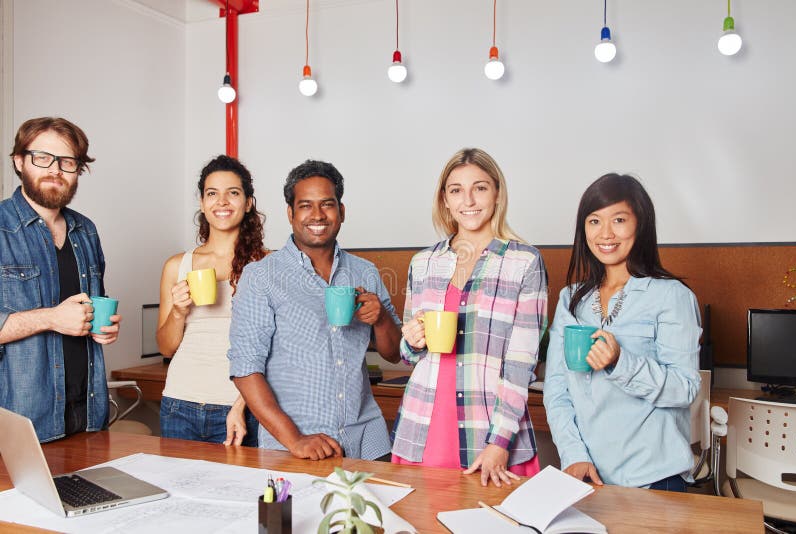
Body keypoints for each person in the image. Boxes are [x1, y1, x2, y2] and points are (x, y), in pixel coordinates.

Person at [390, 148, 548, 487]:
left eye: (480, 187)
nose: (468, 200)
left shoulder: (524, 262)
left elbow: (521, 363)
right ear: (444, 199)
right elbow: (407, 354)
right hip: (425, 424)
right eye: (456, 190)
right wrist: (412, 340)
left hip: (490, 428)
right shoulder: (424, 263)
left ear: (497, 193)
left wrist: (500, 442)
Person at [228, 159, 402, 460]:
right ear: (291, 213)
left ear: (341, 211)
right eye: (306, 205)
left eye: (327, 204)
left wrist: (382, 319)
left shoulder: (366, 272)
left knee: (382, 508)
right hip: (295, 446)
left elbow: (395, 353)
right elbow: (245, 370)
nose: (318, 215)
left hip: (369, 441)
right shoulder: (261, 277)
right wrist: (295, 440)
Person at [543, 173, 701, 492]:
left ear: (639, 224)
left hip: (654, 478)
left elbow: (685, 389)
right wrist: (574, 455)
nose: (605, 234)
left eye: (618, 220)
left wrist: (619, 363)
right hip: (590, 477)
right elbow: (557, 389)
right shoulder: (571, 300)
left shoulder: (671, 296)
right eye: (594, 221)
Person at [0, 117, 121, 442]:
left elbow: (90, 311)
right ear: (19, 160)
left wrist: (105, 327)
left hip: (88, 418)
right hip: (19, 425)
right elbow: (59, 319)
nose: (55, 170)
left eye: (67, 162)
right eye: (42, 158)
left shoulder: (86, 231)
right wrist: (52, 318)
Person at [156, 155, 266, 446]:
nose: (222, 202)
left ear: (248, 202)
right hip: (178, 403)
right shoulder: (177, 265)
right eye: (212, 194)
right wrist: (179, 311)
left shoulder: (268, 264)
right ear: (203, 204)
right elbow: (166, 347)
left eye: (233, 192)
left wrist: (242, 404)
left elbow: (277, 349)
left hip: (239, 407)